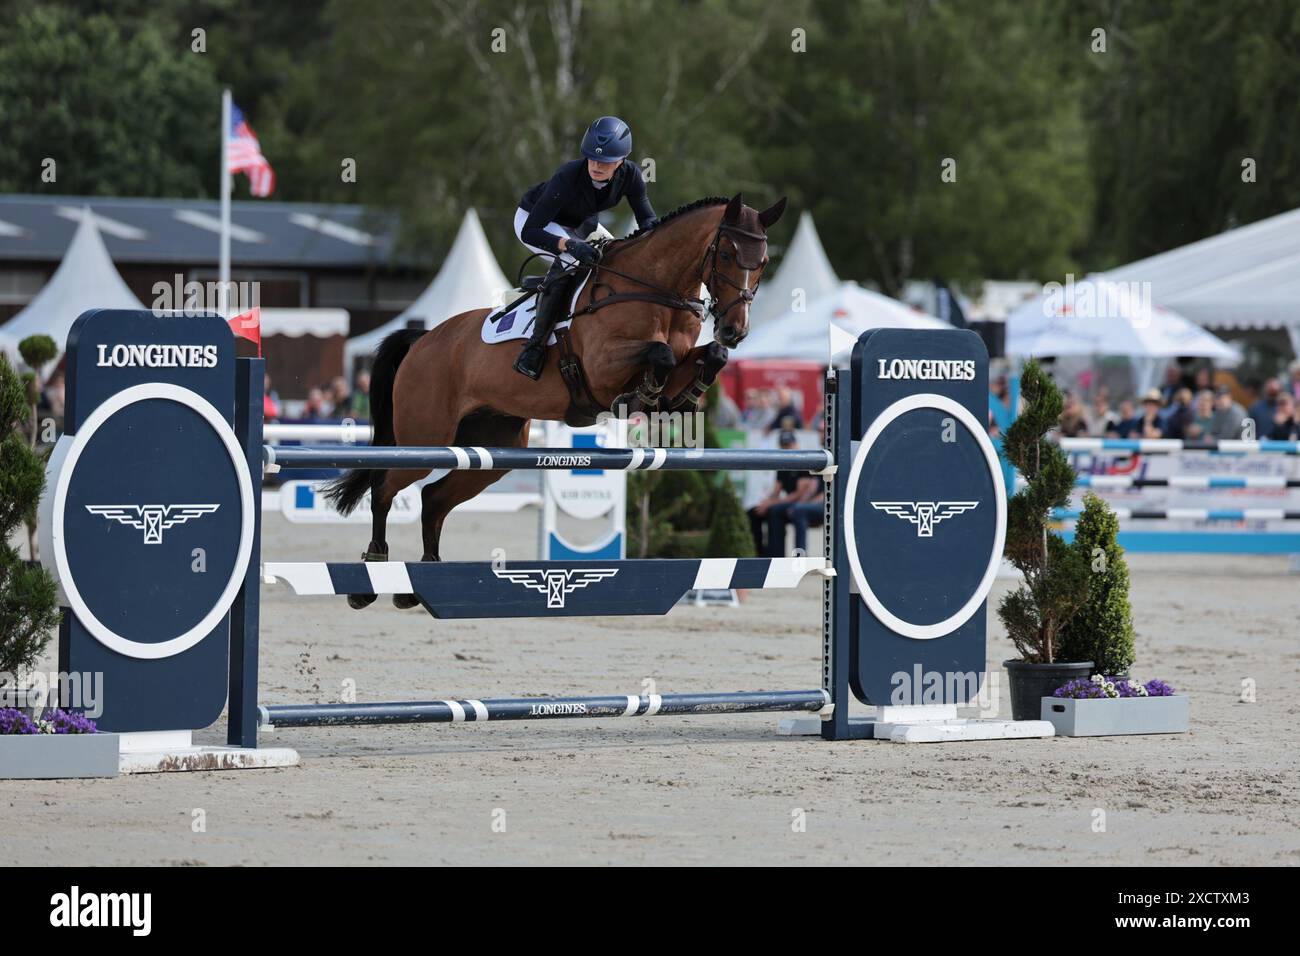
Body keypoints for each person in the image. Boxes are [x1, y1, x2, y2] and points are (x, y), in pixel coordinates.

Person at [511, 115, 659, 380]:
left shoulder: (633, 175)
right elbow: (531, 230)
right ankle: (533, 350)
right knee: (572, 261)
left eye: (605, 161)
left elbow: (647, 219)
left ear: (621, 161)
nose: (596, 165)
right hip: (536, 222)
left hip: (580, 225)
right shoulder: (568, 176)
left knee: (616, 258)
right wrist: (567, 245)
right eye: (592, 158)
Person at [747, 432, 824, 557]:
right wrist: (766, 503)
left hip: (804, 502)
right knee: (754, 511)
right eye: (784, 446)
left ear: (795, 444)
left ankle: (791, 556)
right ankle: (761, 555)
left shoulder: (803, 461)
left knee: (779, 510)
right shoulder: (783, 462)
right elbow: (776, 490)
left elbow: (800, 495)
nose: (786, 448)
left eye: (789, 445)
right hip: (792, 502)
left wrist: (771, 503)